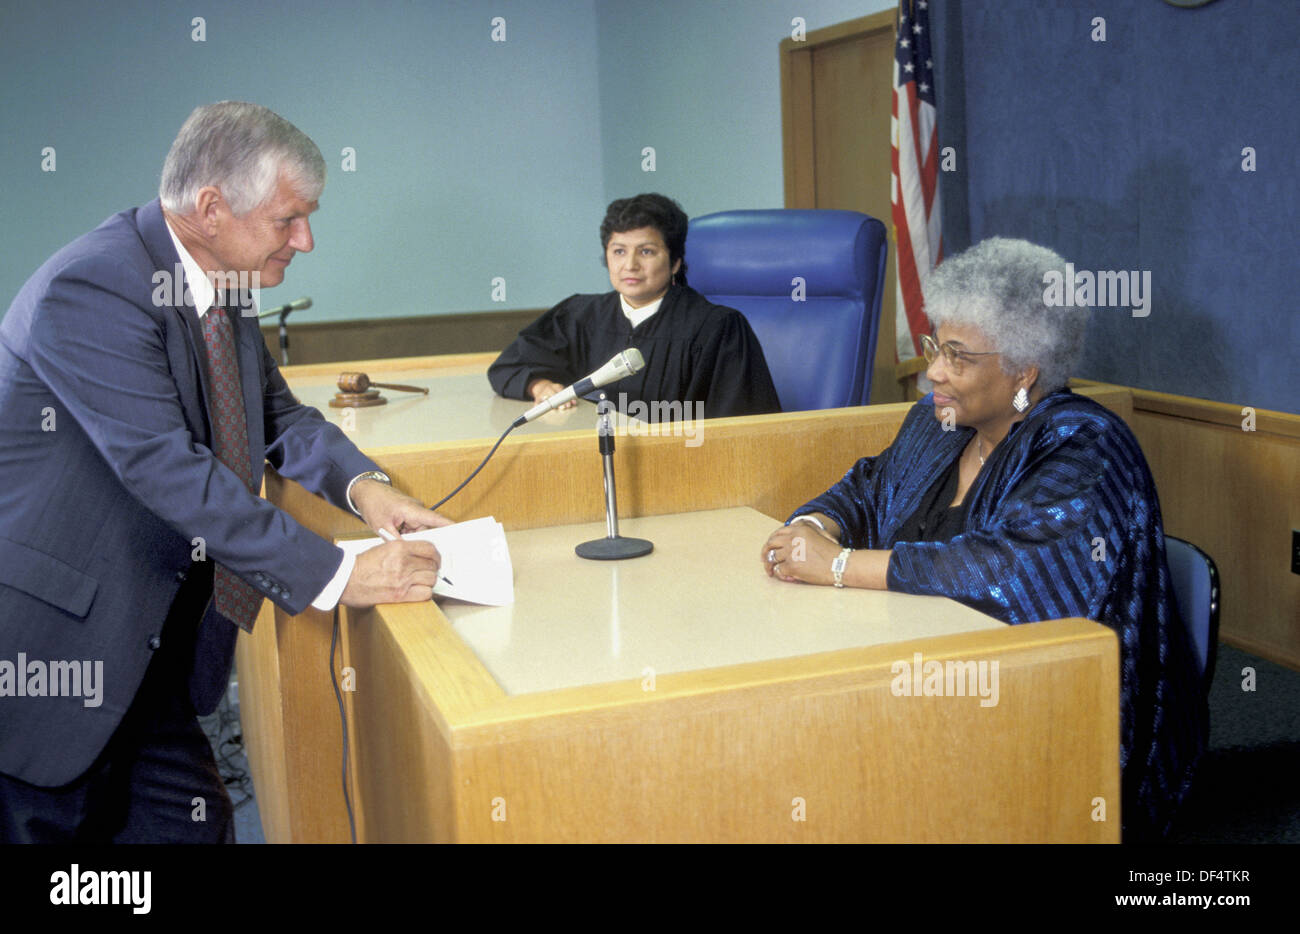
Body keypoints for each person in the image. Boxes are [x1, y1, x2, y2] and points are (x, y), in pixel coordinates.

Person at [0, 101, 451, 843]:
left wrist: (369, 490)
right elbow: (165, 465)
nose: (306, 240)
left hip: (153, 659)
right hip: (58, 657)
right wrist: (340, 575)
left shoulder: (223, 283)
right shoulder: (93, 286)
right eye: (289, 220)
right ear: (212, 208)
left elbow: (274, 414)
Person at [759, 237, 1205, 841]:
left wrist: (838, 568)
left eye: (958, 357)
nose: (934, 371)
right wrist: (812, 527)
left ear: (1024, 371)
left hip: (1047, 707)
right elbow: (869, 489)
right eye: (934, 346)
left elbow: (1008, 574)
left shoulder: (1086, 445)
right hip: (927, 669)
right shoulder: (940, 420)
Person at [488, 193, 781, 421]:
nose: (630, 265)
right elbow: (509, 366)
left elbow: (743, 431)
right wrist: (539, 385)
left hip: (683, 471)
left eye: (646, 251)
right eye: (619, 251)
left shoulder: (718, 328)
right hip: (589, 464)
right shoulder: (579, 315)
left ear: (675, 261)